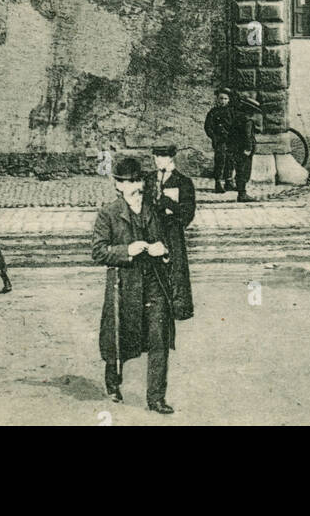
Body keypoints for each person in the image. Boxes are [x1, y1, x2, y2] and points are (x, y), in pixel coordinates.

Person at [92, 156, 176, 414]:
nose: (135, 186)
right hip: (125, 285)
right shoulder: (108, 214)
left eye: (138, 180)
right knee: (120, 336)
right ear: (118, 186)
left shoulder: (153, 209)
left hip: (154, 283)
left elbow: (167, 242)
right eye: (128, 182)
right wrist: (127, 249)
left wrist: (162, 250)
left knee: (159, 340)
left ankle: (156, 398)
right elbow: (98, 252)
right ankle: (113, 381)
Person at [145, 145, 195, 323]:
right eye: (156, 156)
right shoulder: (149, 179)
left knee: (177, 268)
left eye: (162, 156)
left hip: (172, 230)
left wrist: (168, 204)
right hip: (152, 229)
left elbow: (188, 211)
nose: (158, 160)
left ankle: (180, 307)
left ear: (171, 158)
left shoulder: (183, 181)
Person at [204, 88, 235, 193]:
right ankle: (218, 183)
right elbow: (208, 127)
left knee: (230, 161)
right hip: (219, 141)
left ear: (229, 100)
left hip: (230, 141)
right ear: (217, 99)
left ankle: (228, 182)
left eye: (225, 99)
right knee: (220, 161)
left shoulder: (231, 112)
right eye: (221, 98)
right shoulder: (213, 112)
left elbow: (235, 126)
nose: (223, 101)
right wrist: (214, 137)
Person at [229, 95, 259, 202]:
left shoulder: (237, 118)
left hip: (236, 149)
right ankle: (242, 195)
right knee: (244, 171)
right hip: (244, 150)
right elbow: (247, 136)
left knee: (239, 170)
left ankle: (241, 193)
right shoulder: (247, 121)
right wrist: (248, 148)